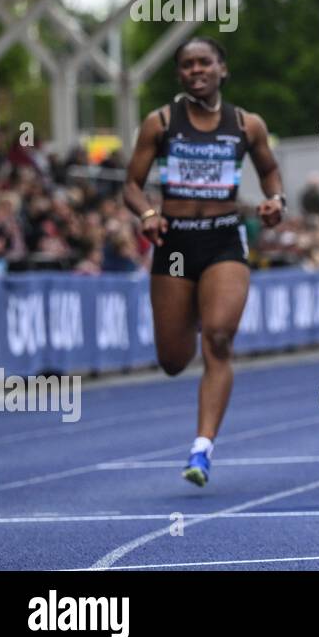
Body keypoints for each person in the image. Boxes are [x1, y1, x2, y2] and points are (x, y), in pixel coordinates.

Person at [123, 36, 286, 486]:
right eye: (187, 65)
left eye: (204, 63)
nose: (196, 71)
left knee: (218, 337)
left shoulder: (246, 124)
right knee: (174, 359)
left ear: (222, 69)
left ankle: (202, 449)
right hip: (175, 245)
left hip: (222, 241)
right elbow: (131, 185)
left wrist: (276, 199)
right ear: (180, 74)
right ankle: (188, 311)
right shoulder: (158, 123)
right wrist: (149, 213)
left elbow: (269, 171)